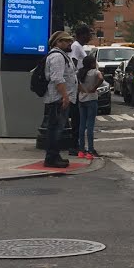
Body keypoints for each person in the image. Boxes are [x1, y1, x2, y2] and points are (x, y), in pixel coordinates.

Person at [43, 30, 78, 168]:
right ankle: (51, 158)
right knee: (55, 129)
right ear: (58, 42)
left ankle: (54, 156)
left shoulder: (62, 55)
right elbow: (57, 78)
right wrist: (65, 96)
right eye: (67, 41)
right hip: (57, 99)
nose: (70, 43)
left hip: (60, 98)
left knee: (57, 128)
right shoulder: (57, 56)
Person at [67, 24, 93, 156]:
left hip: (80, 86)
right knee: (77, 117)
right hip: (77, 87)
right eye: (89, 34)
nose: (90, 37)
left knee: (79, 117)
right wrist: (78, 84)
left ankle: (76, 144)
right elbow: (73, 65)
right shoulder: (76, 46)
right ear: (82, 35)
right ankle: (74, 146)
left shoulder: (79, 46)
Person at [75, 53, 103, 160]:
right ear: (92, 63)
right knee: (90, 125)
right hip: (91, 99)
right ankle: (90, 150)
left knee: (82, 125)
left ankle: (81, 150)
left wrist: (81, 90)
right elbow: (101, 78)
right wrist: (95, 87)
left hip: (82, 99)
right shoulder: (95, 72)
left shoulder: (79, 72)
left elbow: (76, 83)